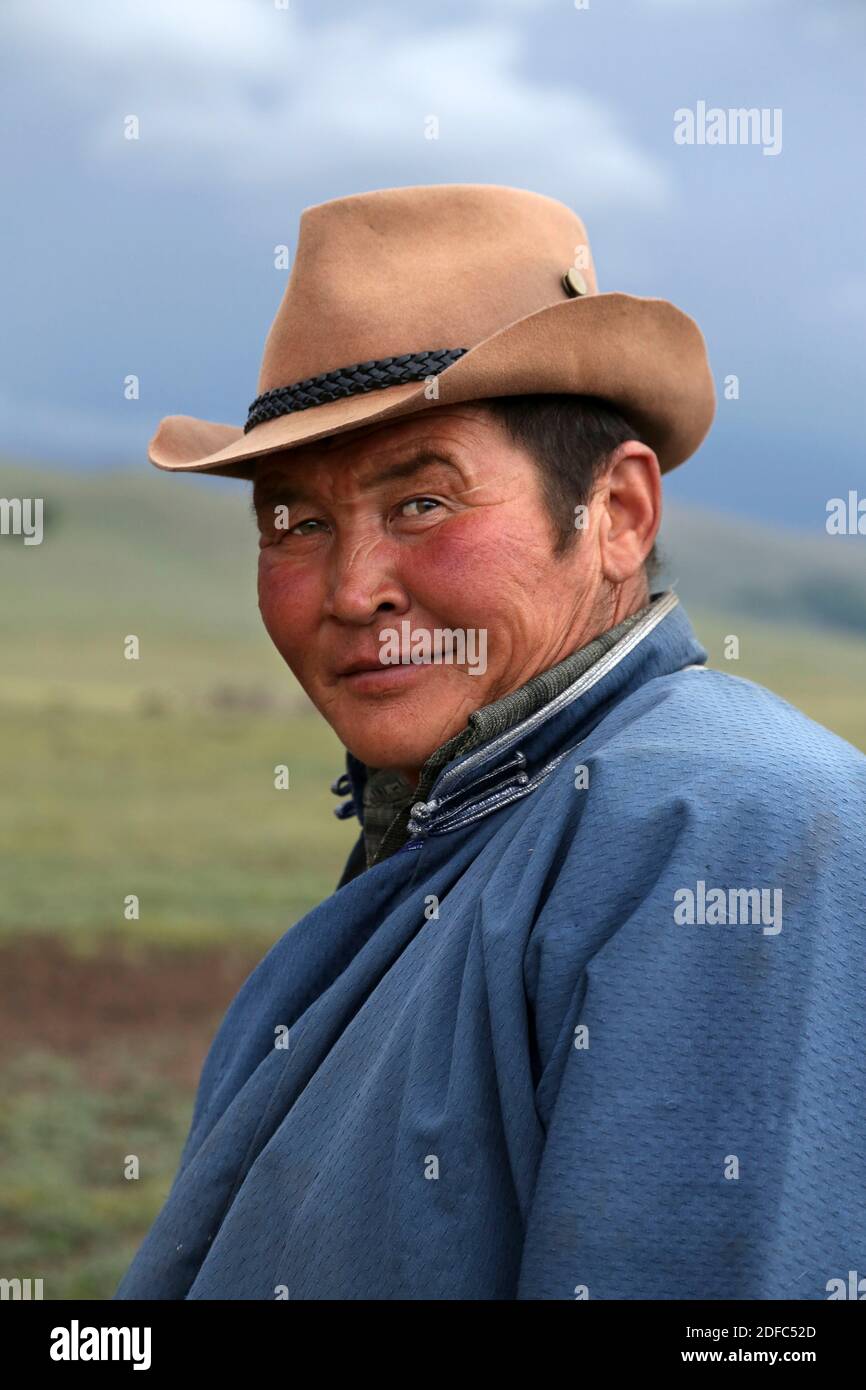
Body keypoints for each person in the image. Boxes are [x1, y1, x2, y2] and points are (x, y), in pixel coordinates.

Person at [115, 184, 866, 1300]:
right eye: (296, 522)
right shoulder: (466, 816)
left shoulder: (726, 827)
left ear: (615, 514)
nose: (351, 588)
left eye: (421, 502)